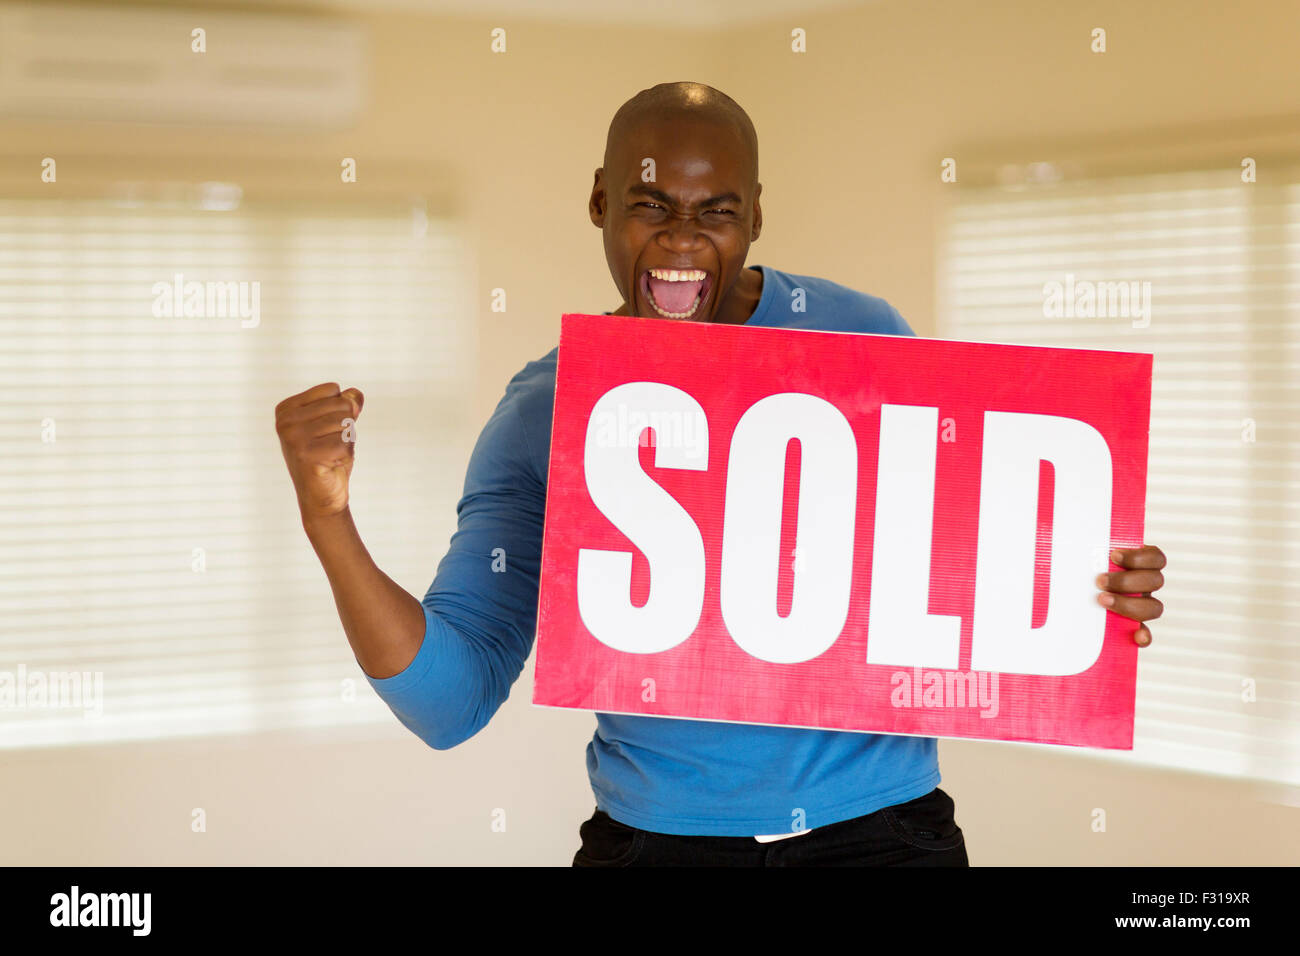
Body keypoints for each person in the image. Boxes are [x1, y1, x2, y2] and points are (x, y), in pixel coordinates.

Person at [273, 81, 1168, 866]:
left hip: (884, 838)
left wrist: (1092, 586)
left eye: (716, 212)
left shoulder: (863, 341)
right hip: (660, 849)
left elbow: (970, 572)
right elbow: (449, 701)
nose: (682, 241)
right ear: (599, 200)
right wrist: (329, 524)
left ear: (756, 217)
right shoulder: (547, 411)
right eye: (652, 204)